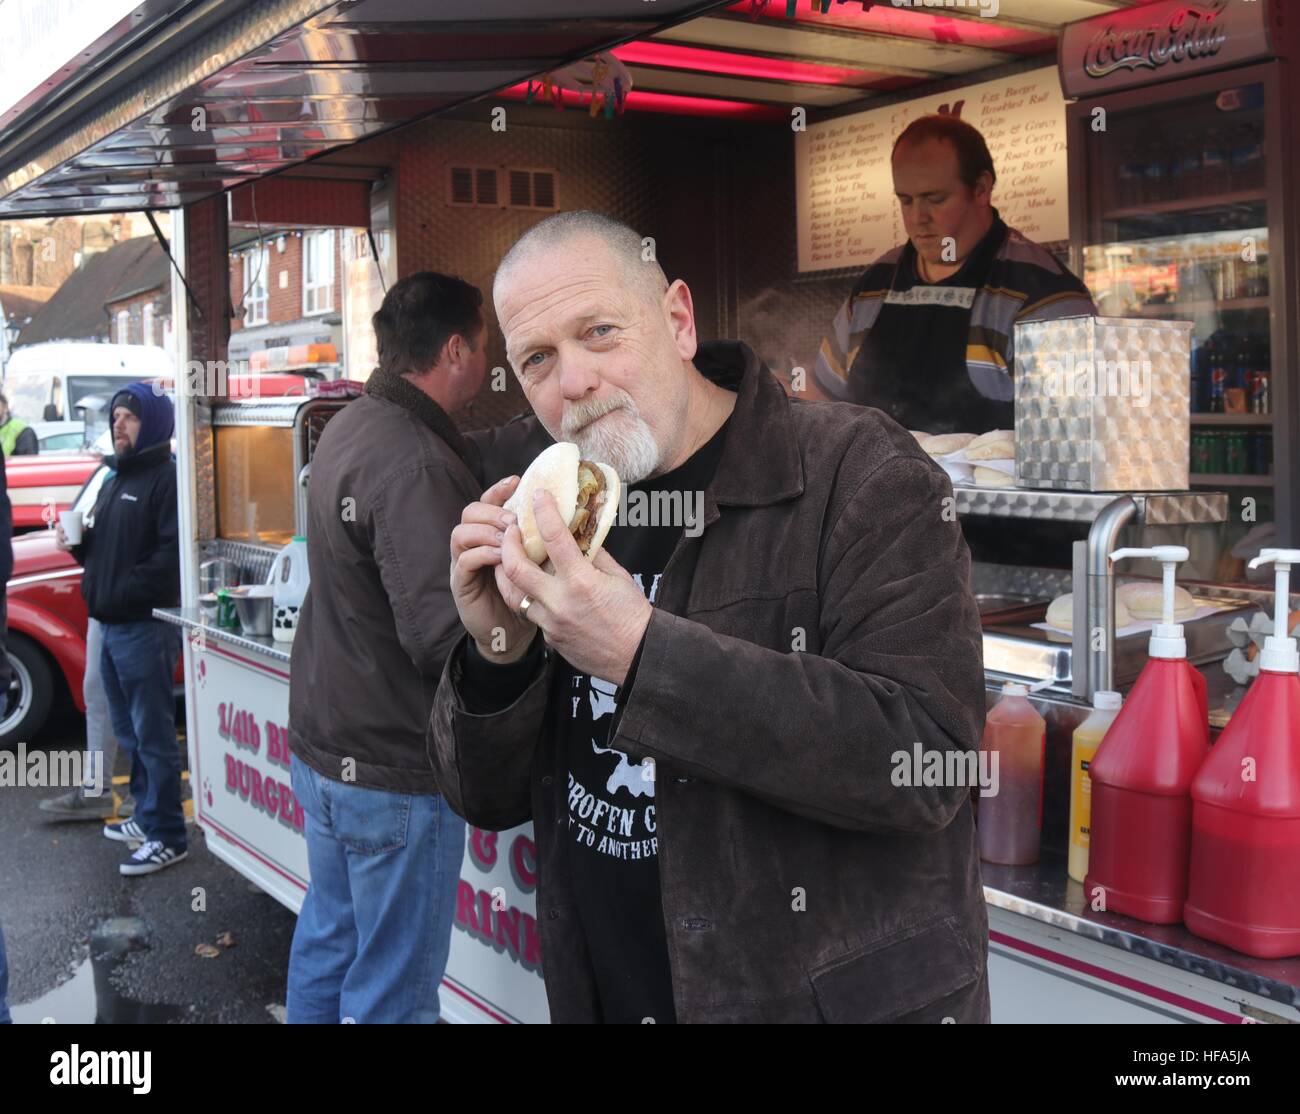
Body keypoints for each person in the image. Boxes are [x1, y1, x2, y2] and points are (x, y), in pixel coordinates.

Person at [430, 211, 990, 1024]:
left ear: (679, 320)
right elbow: (485, 799)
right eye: (538, 359)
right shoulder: (563, 509)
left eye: (600, 332)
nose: (574, 381)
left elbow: (928, 760)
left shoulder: (857, 471)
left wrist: (640, 652)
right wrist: (497, 649)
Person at [285, 272, 488, 1024]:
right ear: (457, 348)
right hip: (393, 772)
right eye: (489, 346)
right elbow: (444, 638)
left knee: (330, 945)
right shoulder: (416, 463)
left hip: (328, 750)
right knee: (394, 996)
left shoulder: (349, 423)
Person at [811, 114, 1096, 566]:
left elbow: (1076, 447)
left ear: (982, 188)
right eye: (904, 200)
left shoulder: (1039, 296)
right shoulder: (875, 287)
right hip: (883, 555)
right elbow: (821, 402)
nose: (917, 218)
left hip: (1007, 561)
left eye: (934, 199)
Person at [58, 384, 182, 875]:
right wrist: (79, 547)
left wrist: (121, 589)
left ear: (150, 423)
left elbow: (169, 560)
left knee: (153, 736)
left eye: (130, 417)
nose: (120, 424)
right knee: (130, 733)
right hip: (111, 626)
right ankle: (146, 813)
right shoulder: (115, 478)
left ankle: (169, 834)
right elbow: (109, 551)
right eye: (116, 417)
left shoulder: (164, 480)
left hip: (141, 628)